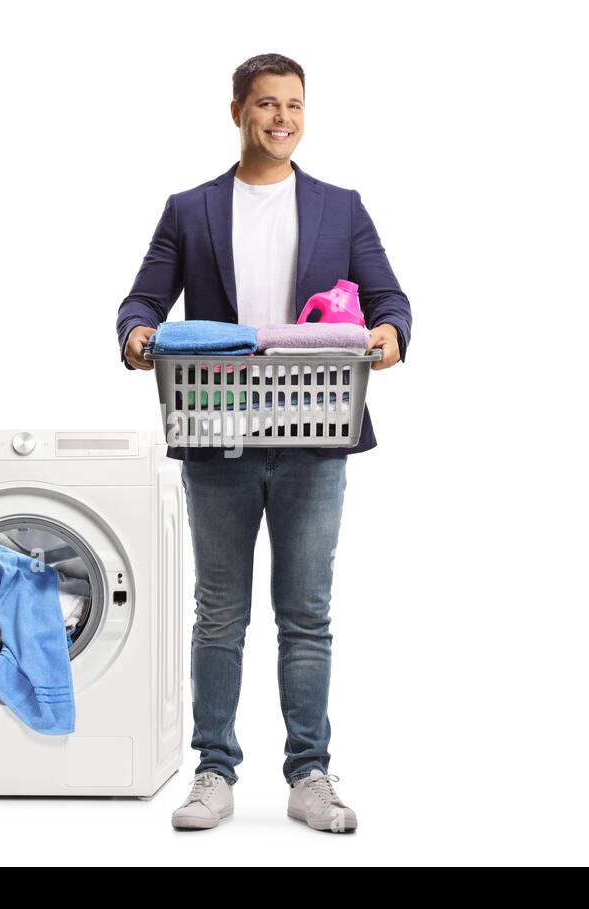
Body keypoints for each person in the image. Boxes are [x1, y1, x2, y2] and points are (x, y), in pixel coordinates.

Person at [115, 54, 412, 833]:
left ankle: (309, 775)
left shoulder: (341, 208)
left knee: (306, 614)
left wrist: (388, 333)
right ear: (238, 110)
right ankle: (214, 772)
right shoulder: (192, 209)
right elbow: (143, 297)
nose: (282, 119)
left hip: (316, 432)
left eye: (294, 106)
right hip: (218, 433)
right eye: (267, 105)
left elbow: (389, 299)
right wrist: (139, 333)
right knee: (220, 612)